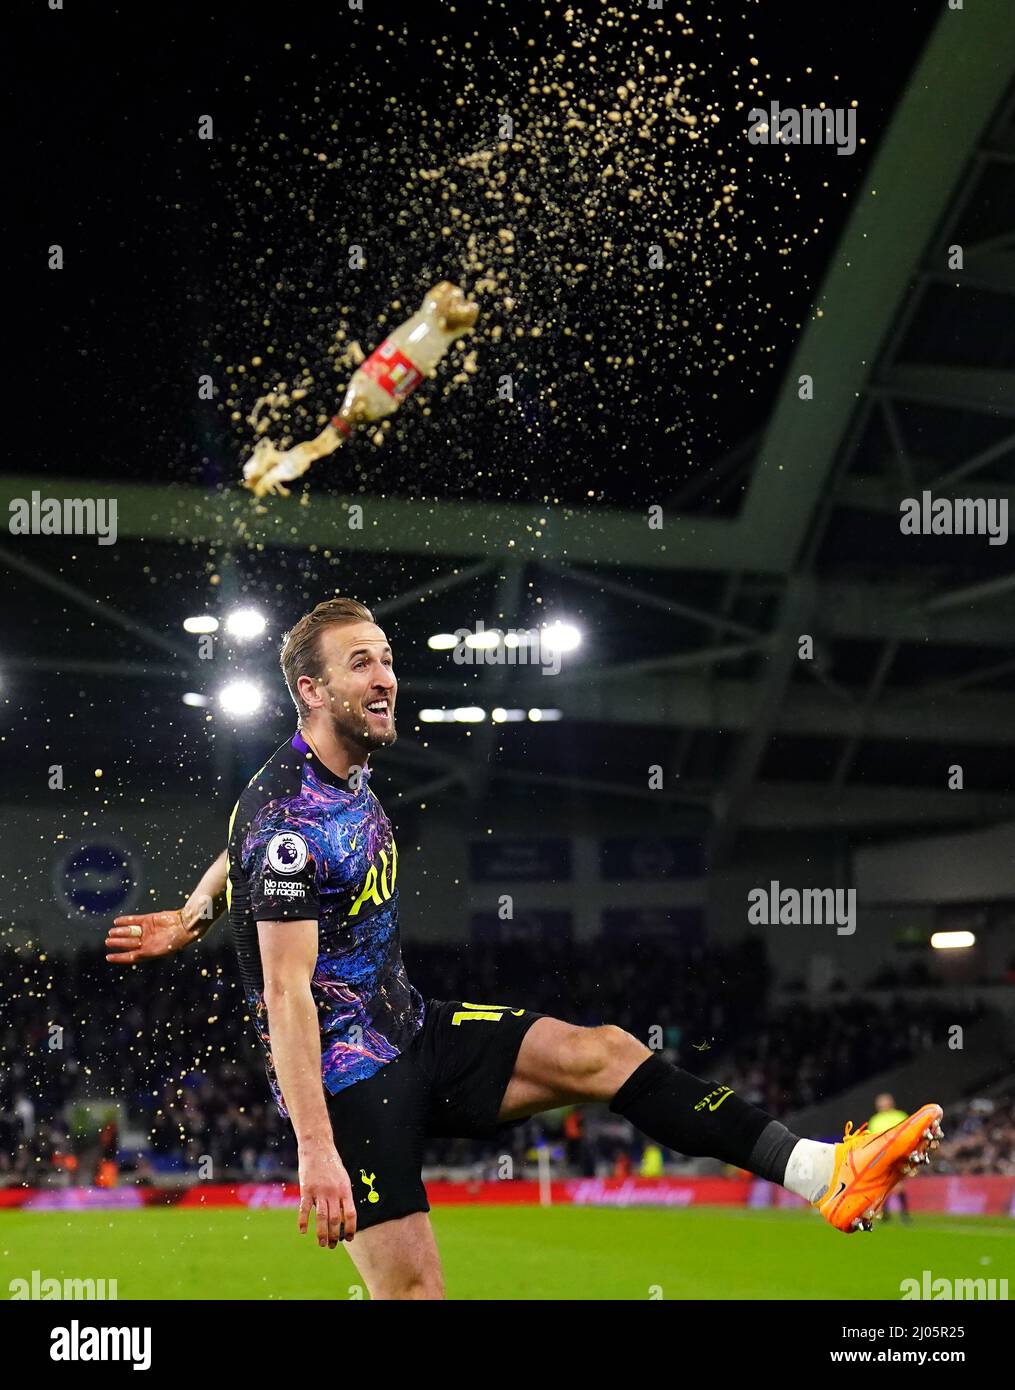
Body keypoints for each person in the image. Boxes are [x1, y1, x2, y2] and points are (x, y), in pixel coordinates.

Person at [106, 597, 944, 1299]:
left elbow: (241, 839)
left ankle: (818, 1172)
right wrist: (316, 1149)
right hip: (345, 1085)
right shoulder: (288, 824)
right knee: (418, 1295)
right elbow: (285, 993)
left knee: (603, 1052)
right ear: (311, 689)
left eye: (387, 658)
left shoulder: (326, 773)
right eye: (361, 663)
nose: (387, 676)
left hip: (412, 1030)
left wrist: (195, 910)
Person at [867, 1093, 913, 1222]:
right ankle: (886, 1214)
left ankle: (903, 1214)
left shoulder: (900, 1116)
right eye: (880, 1103)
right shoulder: (875, 1119)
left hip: (899, 1155)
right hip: (882, 1157)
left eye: (884, 1102)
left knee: (898, 1185)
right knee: (884, 1186)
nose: (882, 1105)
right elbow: (872, 1139)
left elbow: (910, 1133)